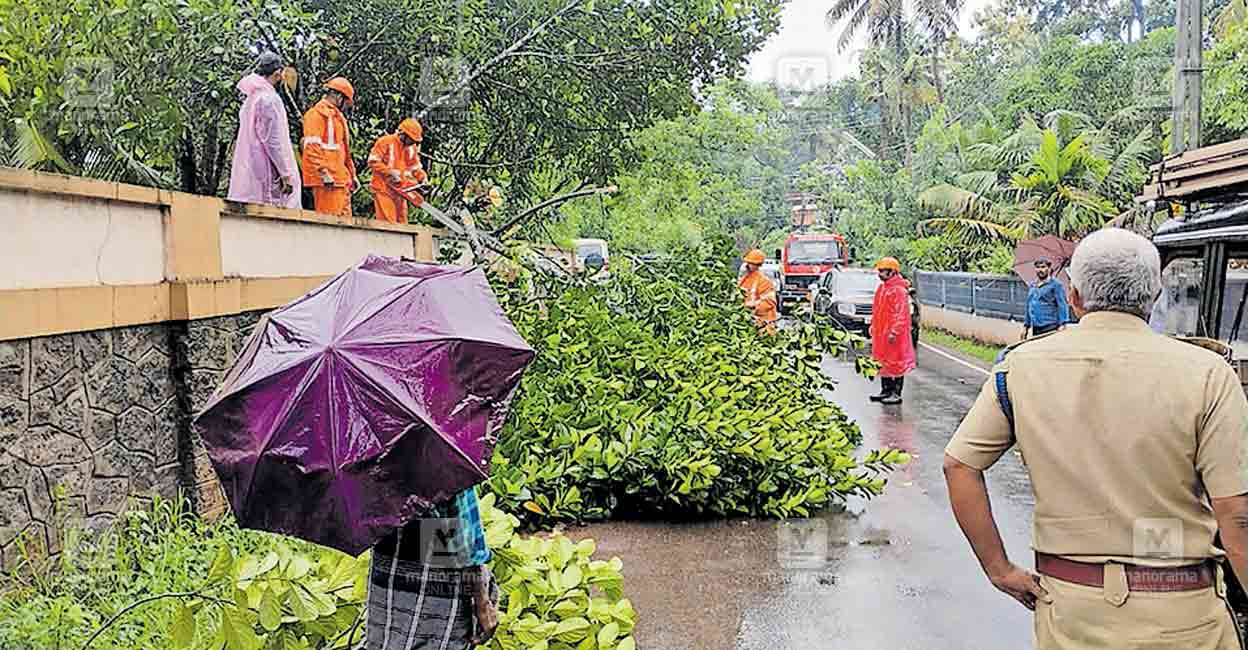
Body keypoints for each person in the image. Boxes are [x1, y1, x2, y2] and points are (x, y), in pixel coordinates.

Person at [943, 228, 1248, 650]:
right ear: (1154, 295)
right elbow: (1235, 515)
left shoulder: (1018, 369)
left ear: (1074, 296)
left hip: (1071, 615)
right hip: (1185, 615)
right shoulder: (1209, 374)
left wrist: (999, 569)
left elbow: (959, 466)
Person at [367, 486, 499, 649]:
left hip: (385, 582)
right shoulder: (436, 466)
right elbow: (463, 545)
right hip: (434, 589)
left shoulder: (360, 466)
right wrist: (482, 600)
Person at [226, 52, 300, 209]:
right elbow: (272, 141)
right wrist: (285, 174)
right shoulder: (268, 100)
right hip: (265, 172)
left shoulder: (251, 99)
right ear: (278, 74)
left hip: (251, 169)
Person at [302, 77, 358, 217]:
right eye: (345, 102)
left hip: (340, 179)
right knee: (330, 223)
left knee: (345, 224)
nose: (345, 106)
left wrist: (352, 175)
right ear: (339, 96)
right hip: (327, 180)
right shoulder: (316, 115)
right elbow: (312, 148)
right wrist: (323, 173)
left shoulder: (336, 117)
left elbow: (344, 150)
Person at [869, 257, 916, 405]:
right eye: (880, 270)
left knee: (896, 362)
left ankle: (896, 393)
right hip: (881, 333)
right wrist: (873, 326)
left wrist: (894, 332)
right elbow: (877, 311)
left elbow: (901, 314)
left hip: (894, 335)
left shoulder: (899, 291)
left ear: (892, 272)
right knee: (883, 361)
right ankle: (886, 390)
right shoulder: (882, 288)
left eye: (883, 271)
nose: (880, 274)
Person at [368, 118, 428, 223]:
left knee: (402, 223)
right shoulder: (385, 142)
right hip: (383, 189)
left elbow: (415, 168)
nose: (413, 142)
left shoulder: (411, 148)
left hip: (400, 190)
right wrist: (389, 172)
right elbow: (373, 161)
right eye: (411, 139)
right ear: (403, 134)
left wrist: (422, 178)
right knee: (388, 223)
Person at [1022, 258, 1070, 339]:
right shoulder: (1033, 286)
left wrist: (1063, 324)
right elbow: (1029, 305)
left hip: (1050, 326)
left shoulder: (1056, 285)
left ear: (1049, 268)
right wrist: (1026, 326)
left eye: (1043, 267)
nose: (1040, 270)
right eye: (1037, 267)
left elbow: (1062, 305)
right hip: (1036, 326)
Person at [739, 249, 778, 335]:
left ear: (757, 264)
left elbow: (770, 302)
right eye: (747, 263)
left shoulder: (764, 281)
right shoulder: (744, 280)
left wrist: (751, 307)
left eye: (749, 263)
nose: (747, 266)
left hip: (765, 325)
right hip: (752, 323)